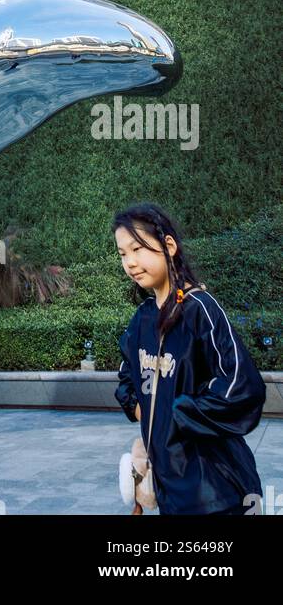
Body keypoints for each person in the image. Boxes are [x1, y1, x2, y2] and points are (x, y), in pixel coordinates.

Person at [113, 203, 266, 516]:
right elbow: (127, 374)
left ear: (169, 246)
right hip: (169, 487)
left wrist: (179, 415)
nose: (130, 262)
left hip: (214, 489)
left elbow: (242, 385)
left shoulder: (200, 309)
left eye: (138, 249)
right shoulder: (141, 319)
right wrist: (138, 406)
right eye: (122, 253)